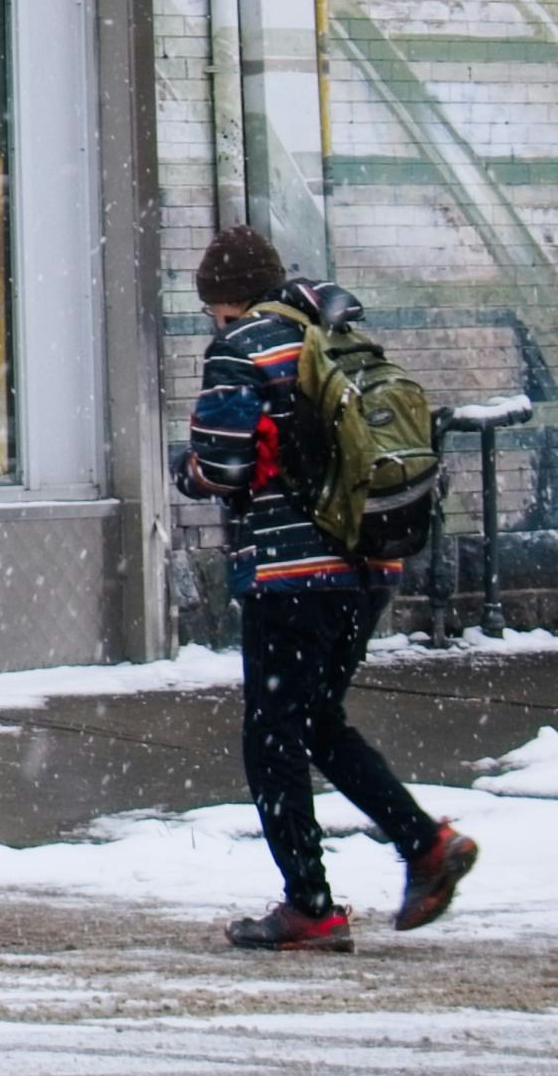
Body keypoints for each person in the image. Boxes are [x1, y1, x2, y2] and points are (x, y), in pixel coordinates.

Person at [179, 224, 475, 949]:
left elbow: (220, 466)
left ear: (224, 300)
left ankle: (310, 906)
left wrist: (186, 471)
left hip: (291, 574)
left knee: (273, 735)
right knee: (315, 721)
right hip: (369, 564)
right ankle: (424, 844)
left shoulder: (242, 346)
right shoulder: (338, 333)